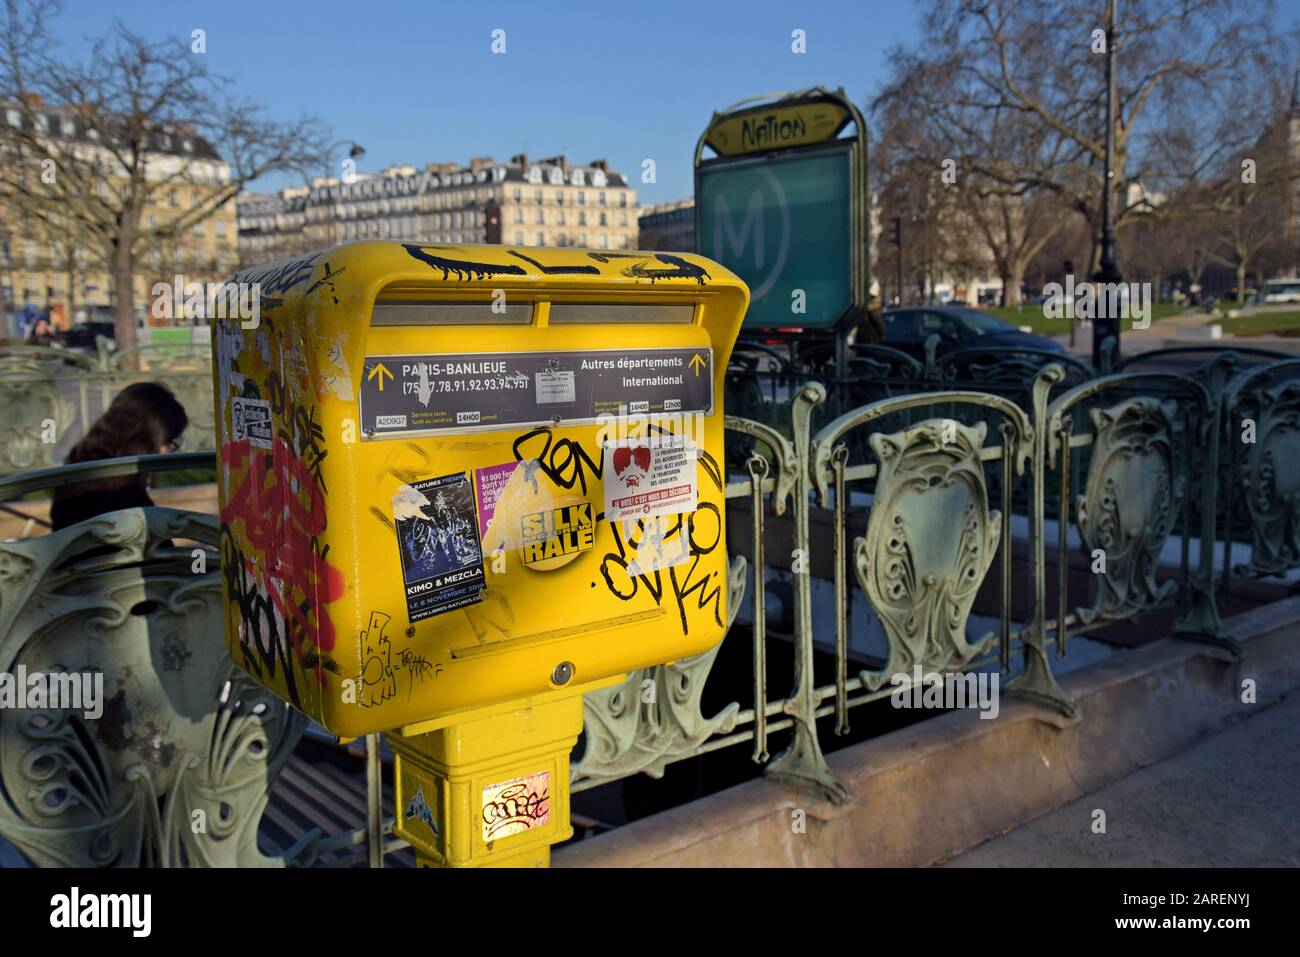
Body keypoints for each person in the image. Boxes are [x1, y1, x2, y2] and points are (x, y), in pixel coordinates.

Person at [49, 382, 188, 531]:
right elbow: (151, 544)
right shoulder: (123, 490)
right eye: (167, 441)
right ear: (145, 438)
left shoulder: (81, 461)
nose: (166, 451)